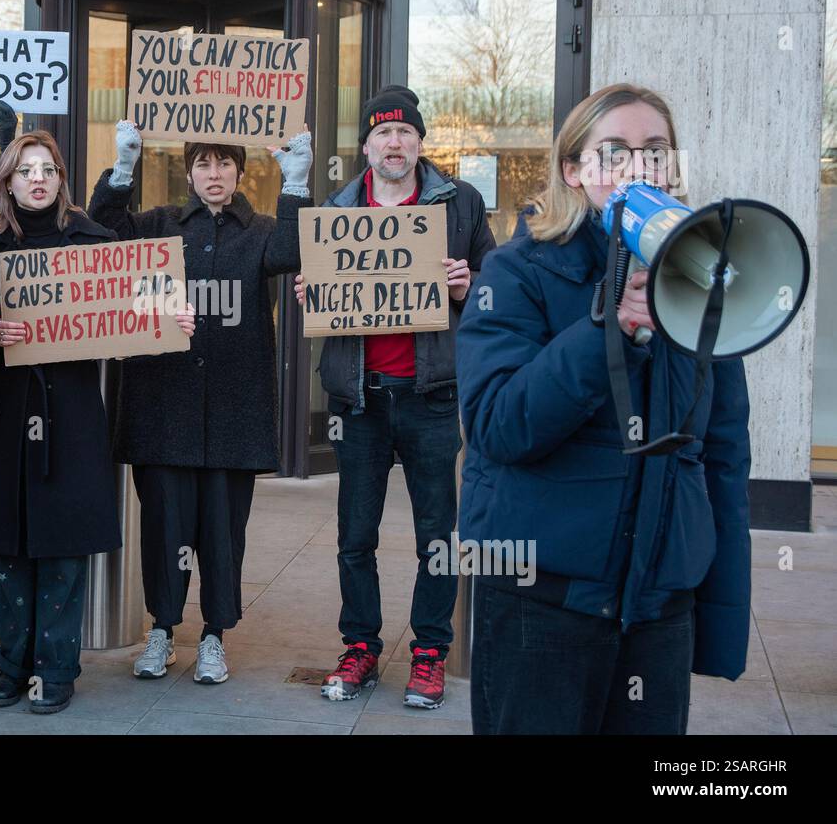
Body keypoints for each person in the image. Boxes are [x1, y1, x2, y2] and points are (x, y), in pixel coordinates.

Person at [455, 83, 751, 734]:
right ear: (573, 169)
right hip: (542, 601)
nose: (637, 167)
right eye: (613, 151)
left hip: (657, 611)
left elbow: (722, 454)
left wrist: (722, 619)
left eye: (654, 151)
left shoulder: (700, 279)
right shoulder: (517, 273)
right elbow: (499, 424)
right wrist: (605, 331)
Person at [0, 130, 189, 714]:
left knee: (64, 545)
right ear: (7, 181)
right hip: (4, 413)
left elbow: (134, 310)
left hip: (69, 411)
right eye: (25, 170)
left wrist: (170, 316)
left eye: (48, 169)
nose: (37, 179)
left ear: (62, 179)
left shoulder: (95, 239)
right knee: (11, 546)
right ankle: (11, 666)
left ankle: (57, 670)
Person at [293, 85, 497, 708]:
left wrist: (470, 286)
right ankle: (360, 646)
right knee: (356, 535)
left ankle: (430, 651)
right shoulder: (335, 208)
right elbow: (322, 289)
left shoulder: (459, 204)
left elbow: (500, 292)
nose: (395, 142)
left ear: (419, 141)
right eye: (384, 133)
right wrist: (314, 294)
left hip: (432, 395)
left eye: (406, 132)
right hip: (358, 401)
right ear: (367, 146)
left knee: (437, 534)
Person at [88, 121, 311, 685]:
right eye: (204, 165)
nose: (215, 175)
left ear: (240, 171)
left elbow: (291, 251)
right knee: (164, 525)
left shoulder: (260, 230)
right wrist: (122, 169)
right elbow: (103, 231)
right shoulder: (159, 223)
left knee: (222, 529)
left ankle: (214, 634)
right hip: (164, 407)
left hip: (235, 411)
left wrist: (298, 180)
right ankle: (162, 628)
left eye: (225, 164)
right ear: (189, 172)